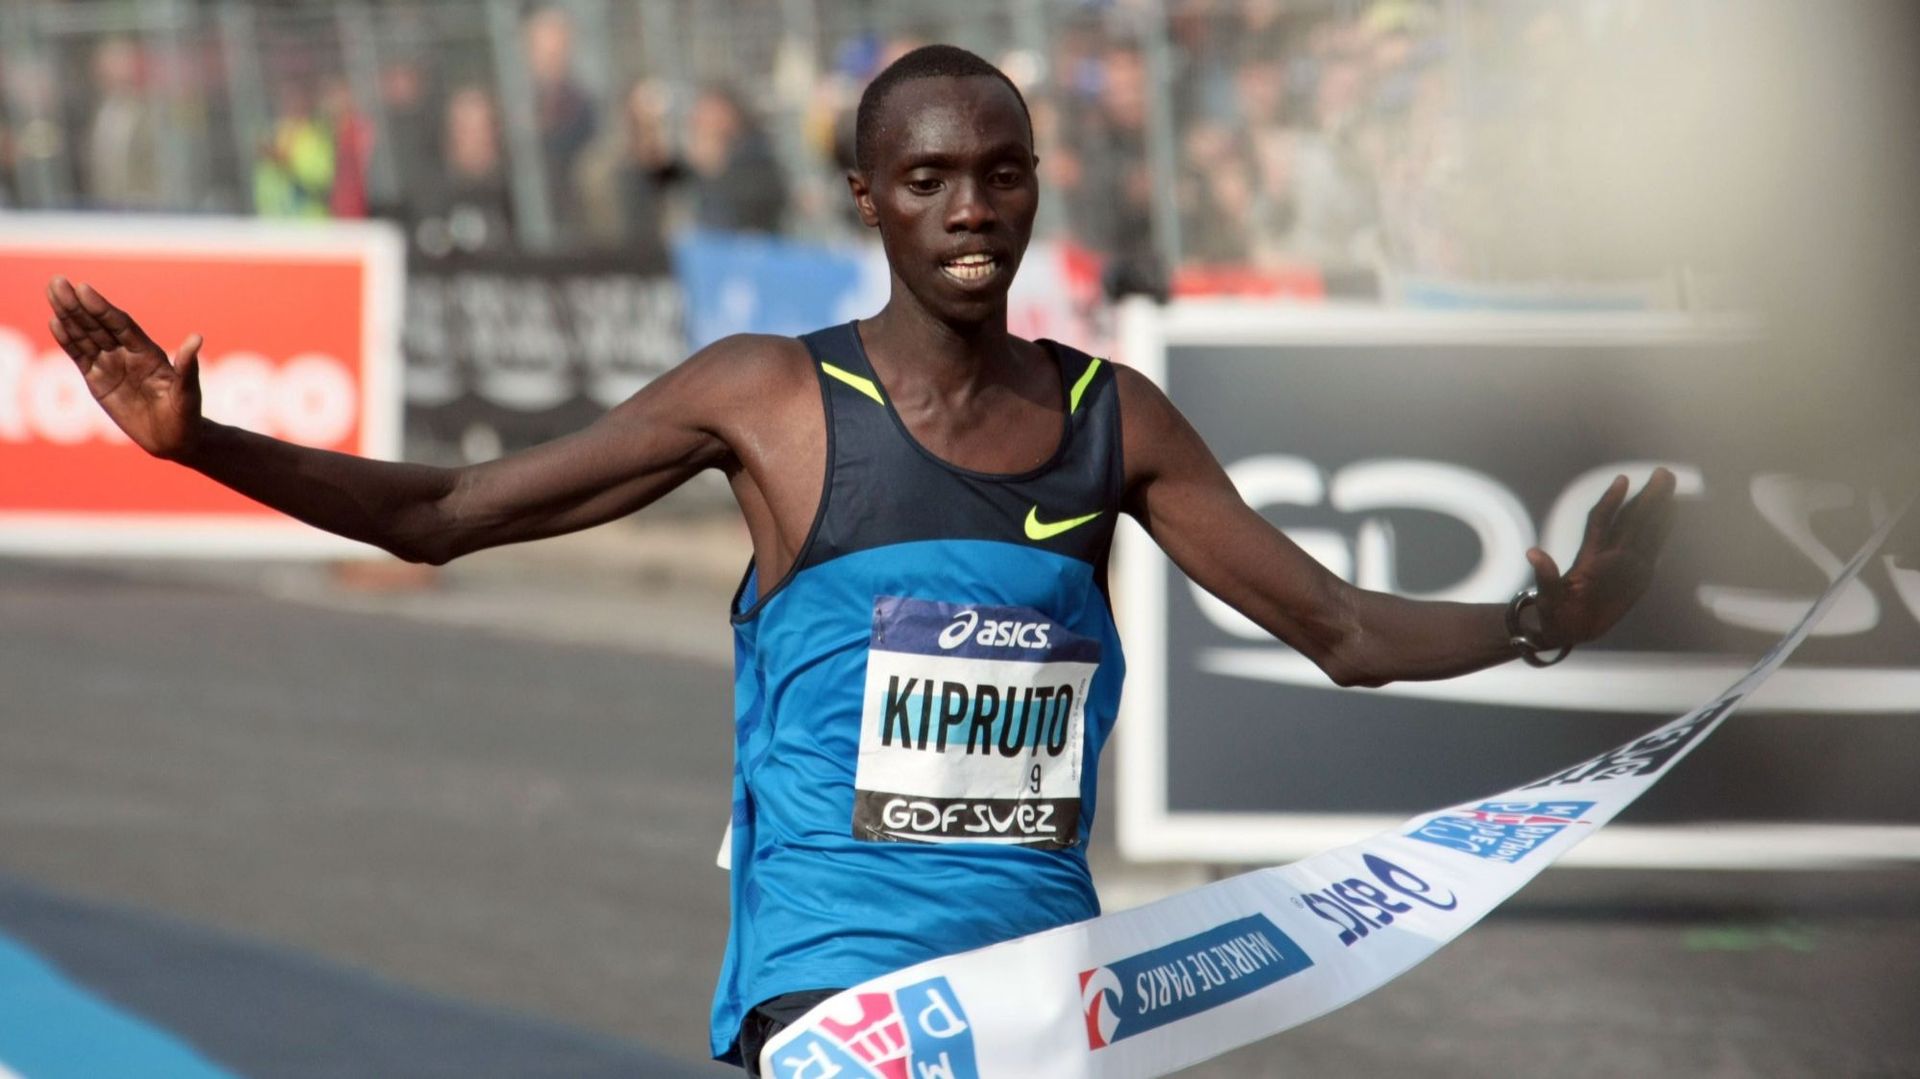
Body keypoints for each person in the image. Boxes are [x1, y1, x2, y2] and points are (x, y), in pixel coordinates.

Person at [44, 44, 1674, 1077]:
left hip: (1042, 1000)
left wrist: (1550, 619)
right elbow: (451, 515)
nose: (973, 210)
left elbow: (1337, 629)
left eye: (1003, 173)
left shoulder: (1121, 422)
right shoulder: (770, 397)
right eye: (930, 180)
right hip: (837, 1004)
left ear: (1037, 186)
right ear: (869, 201)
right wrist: (205, 446)